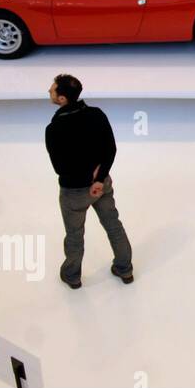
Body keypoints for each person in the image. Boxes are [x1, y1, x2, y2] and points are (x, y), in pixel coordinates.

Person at [45, 75, 133, 290]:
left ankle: (72, 275)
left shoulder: (54, 129)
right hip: (102, 184)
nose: (49, 91)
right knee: (114, 225)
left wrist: (88, 179)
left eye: (53, 90)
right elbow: (110, 149)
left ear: (63, 98)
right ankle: (125, 269)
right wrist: (99, 178)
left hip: (73, 191)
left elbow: (60, 167)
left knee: (75, 235)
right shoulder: (97, 115)